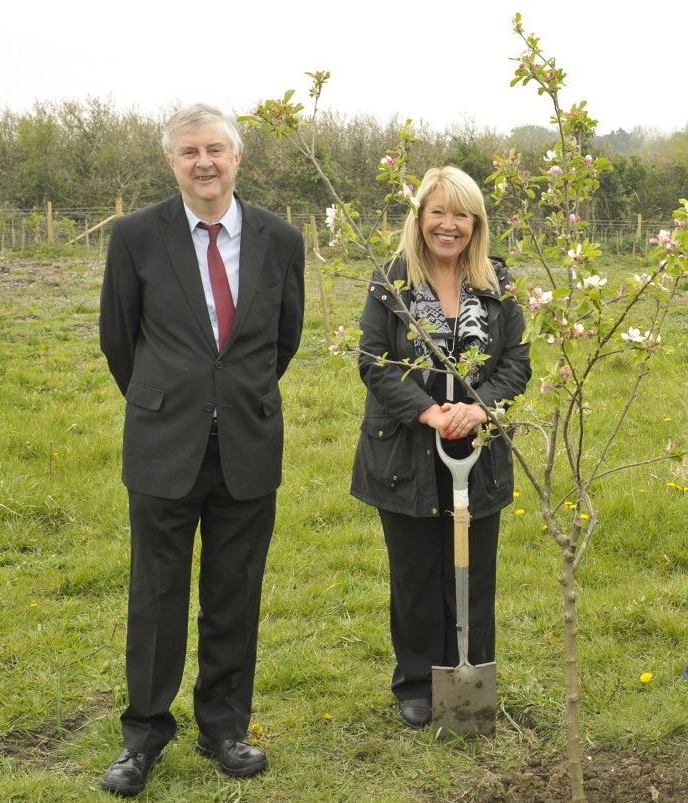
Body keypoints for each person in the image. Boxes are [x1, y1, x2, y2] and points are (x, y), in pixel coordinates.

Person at [99, 103, 305, 795]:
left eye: (215, 148)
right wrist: (170, 398)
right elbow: (119, 339)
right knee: (154, 594)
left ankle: (224, 726)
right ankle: (144, 734)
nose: (204, 162)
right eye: (189, 152)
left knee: (234, 592)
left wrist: (231, 396)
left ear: (238, 155)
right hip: (163, 443)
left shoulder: (280, 239)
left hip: (246, 441)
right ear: (171, 162)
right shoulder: (135, 236)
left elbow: (284, 338)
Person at [350, 166, 531, 729]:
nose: (448, 225)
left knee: (475, 573)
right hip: (404, 450)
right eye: (437, 212)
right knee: (414, 574)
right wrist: (427, 411)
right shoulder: (391, 284)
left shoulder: (499, 285)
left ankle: (468, 670)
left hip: (478, 451)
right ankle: (415, 682)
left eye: (461, 214)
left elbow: (518, 364)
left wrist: (478, 408)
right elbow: (373, 360)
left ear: (475, 223)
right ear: (419, 218)